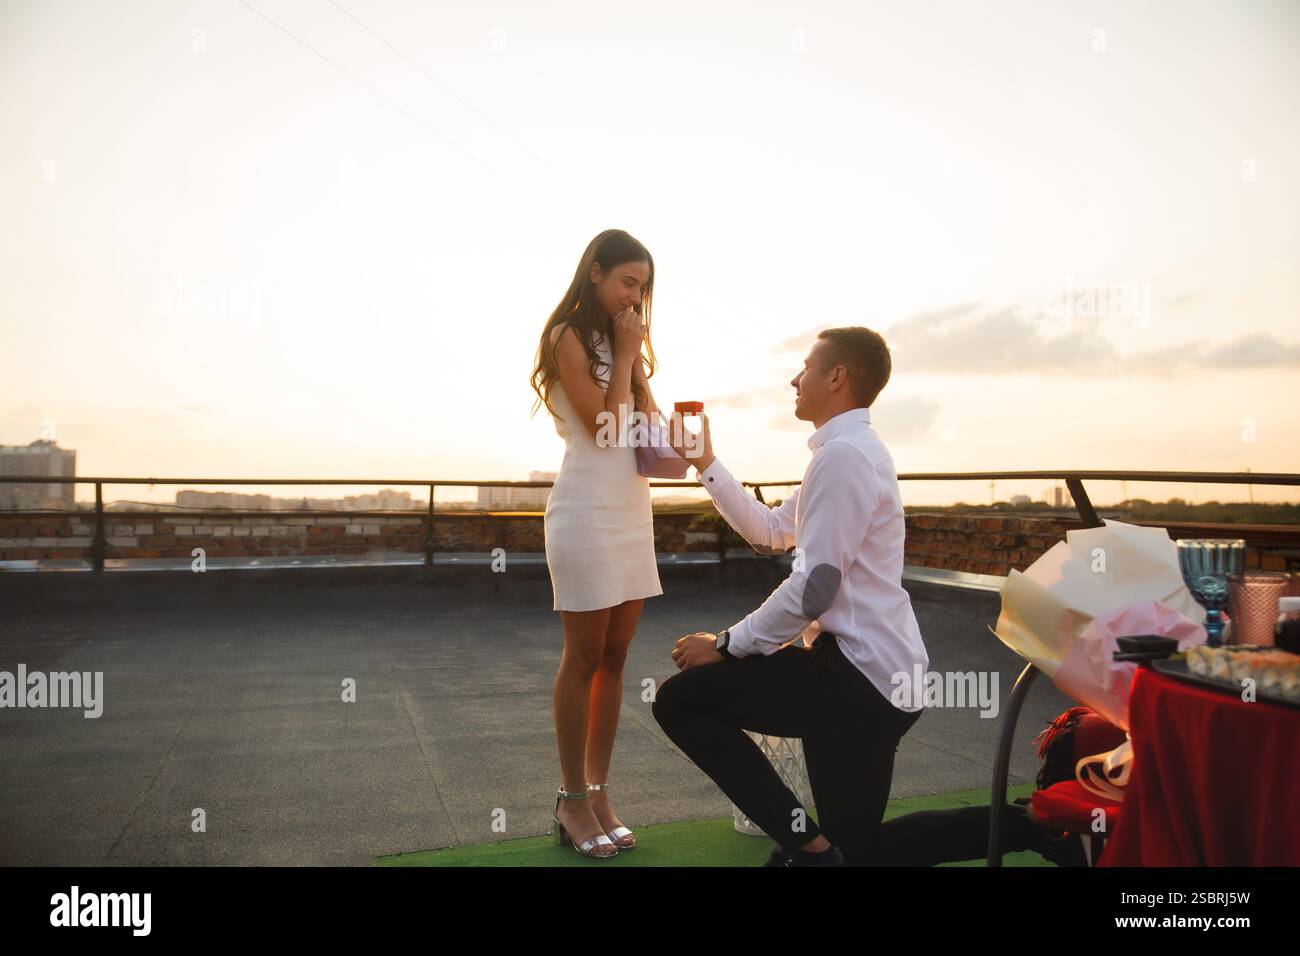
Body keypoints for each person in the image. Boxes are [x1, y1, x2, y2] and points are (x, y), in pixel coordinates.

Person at [653, 326, 930, 866]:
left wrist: (729, 644)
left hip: (860, 677)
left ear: (836, 377)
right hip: (878, 675)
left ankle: (806, 849)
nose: (794, 379)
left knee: (680, 702)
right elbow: (770, 531)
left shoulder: (844, 456)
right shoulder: (847, 452)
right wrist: (704, 461)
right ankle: (1033, 824)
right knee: (859, 852)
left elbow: (816, 586)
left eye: (805, 367)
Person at [529, 229, 665, 858]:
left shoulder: (630, 346)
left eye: (643, 287)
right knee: (582, 659)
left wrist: (686, 438)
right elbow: (607, 432)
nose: (634, 296)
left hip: (633, 515)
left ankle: (601, 790)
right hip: (585, 515)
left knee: (615, 659)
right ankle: (571, 796)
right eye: (626, 282)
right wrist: (629, 353)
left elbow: (650, 437)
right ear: (595, 274)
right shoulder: (567, 338)